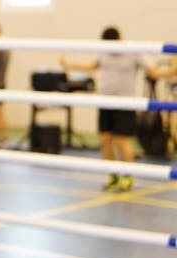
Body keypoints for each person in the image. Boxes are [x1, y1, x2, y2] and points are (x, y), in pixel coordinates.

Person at [60, 26, 159, 192]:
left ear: (120, 40)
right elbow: (92, 66)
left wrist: (171, 71)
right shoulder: (103, 51)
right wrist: (69, 64)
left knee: (122, 140)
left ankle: (128, 176)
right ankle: (113, 175)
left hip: (126, 103)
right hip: (106, 101)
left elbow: (153, 71)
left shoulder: (134, 51)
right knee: (105, 140)